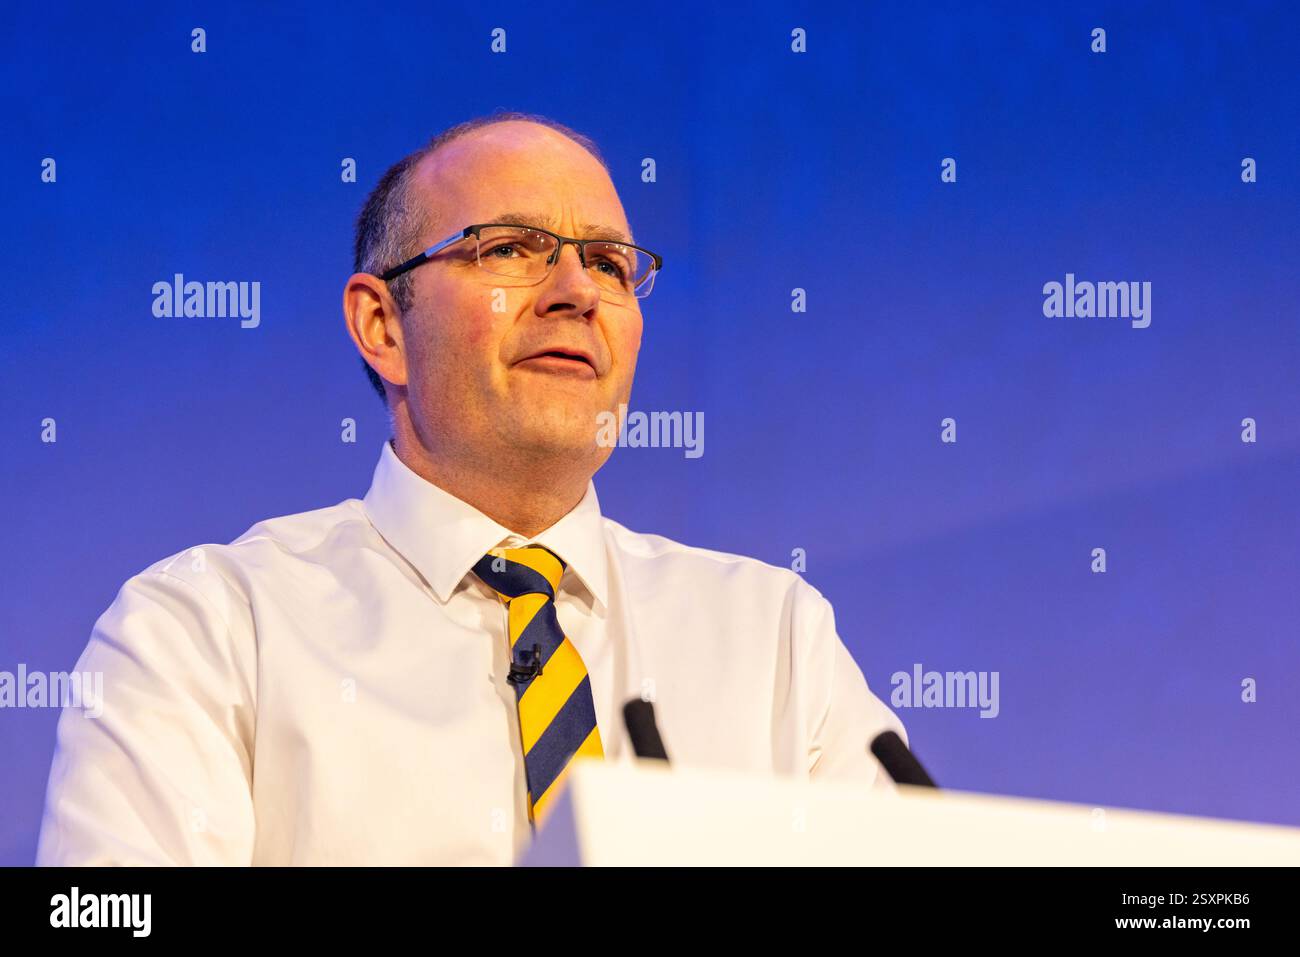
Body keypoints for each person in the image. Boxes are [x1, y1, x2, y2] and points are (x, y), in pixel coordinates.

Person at [36, 111, 907, 866]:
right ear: (382, 324)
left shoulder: (773, 638)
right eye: (510, 249)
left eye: (609, 263)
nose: (576, 293)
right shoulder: (207, 633)